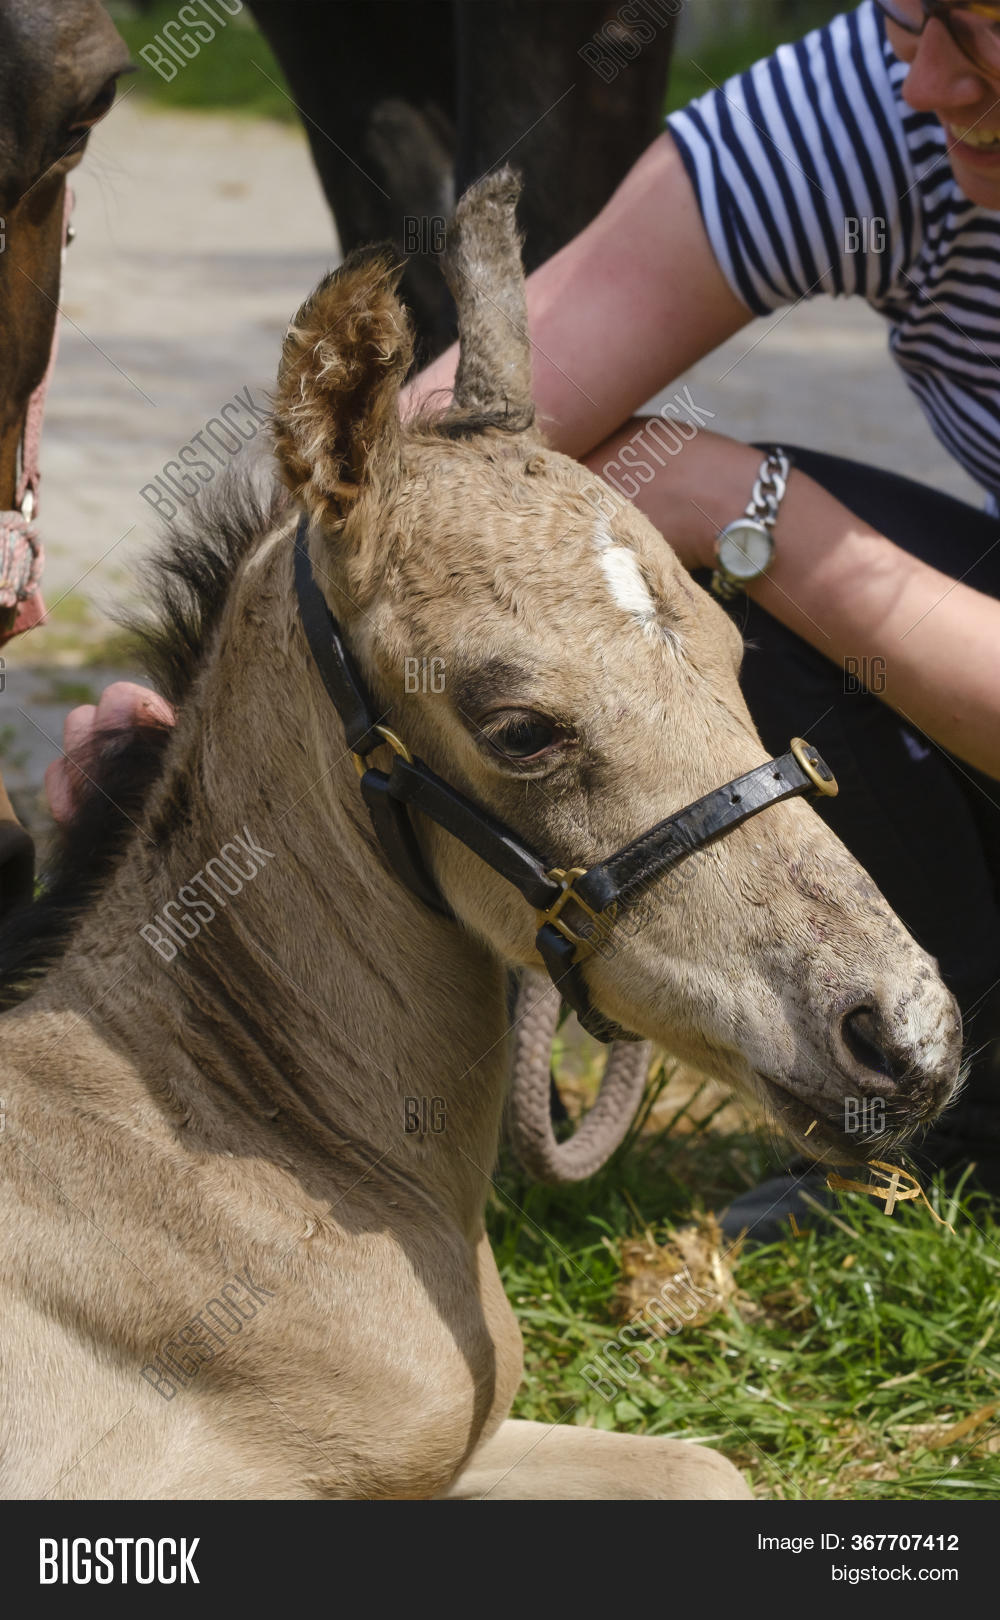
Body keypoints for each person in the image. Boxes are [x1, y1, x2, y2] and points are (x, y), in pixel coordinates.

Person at [46, 2, 1000, 1230]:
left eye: (977, 32)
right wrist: (248, 716)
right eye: (912, 12)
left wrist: (758, 507)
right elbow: (457, 450)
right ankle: (946, 1108)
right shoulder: (878, 108)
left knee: (726, 517)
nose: (924, 80)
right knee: (632, 561)